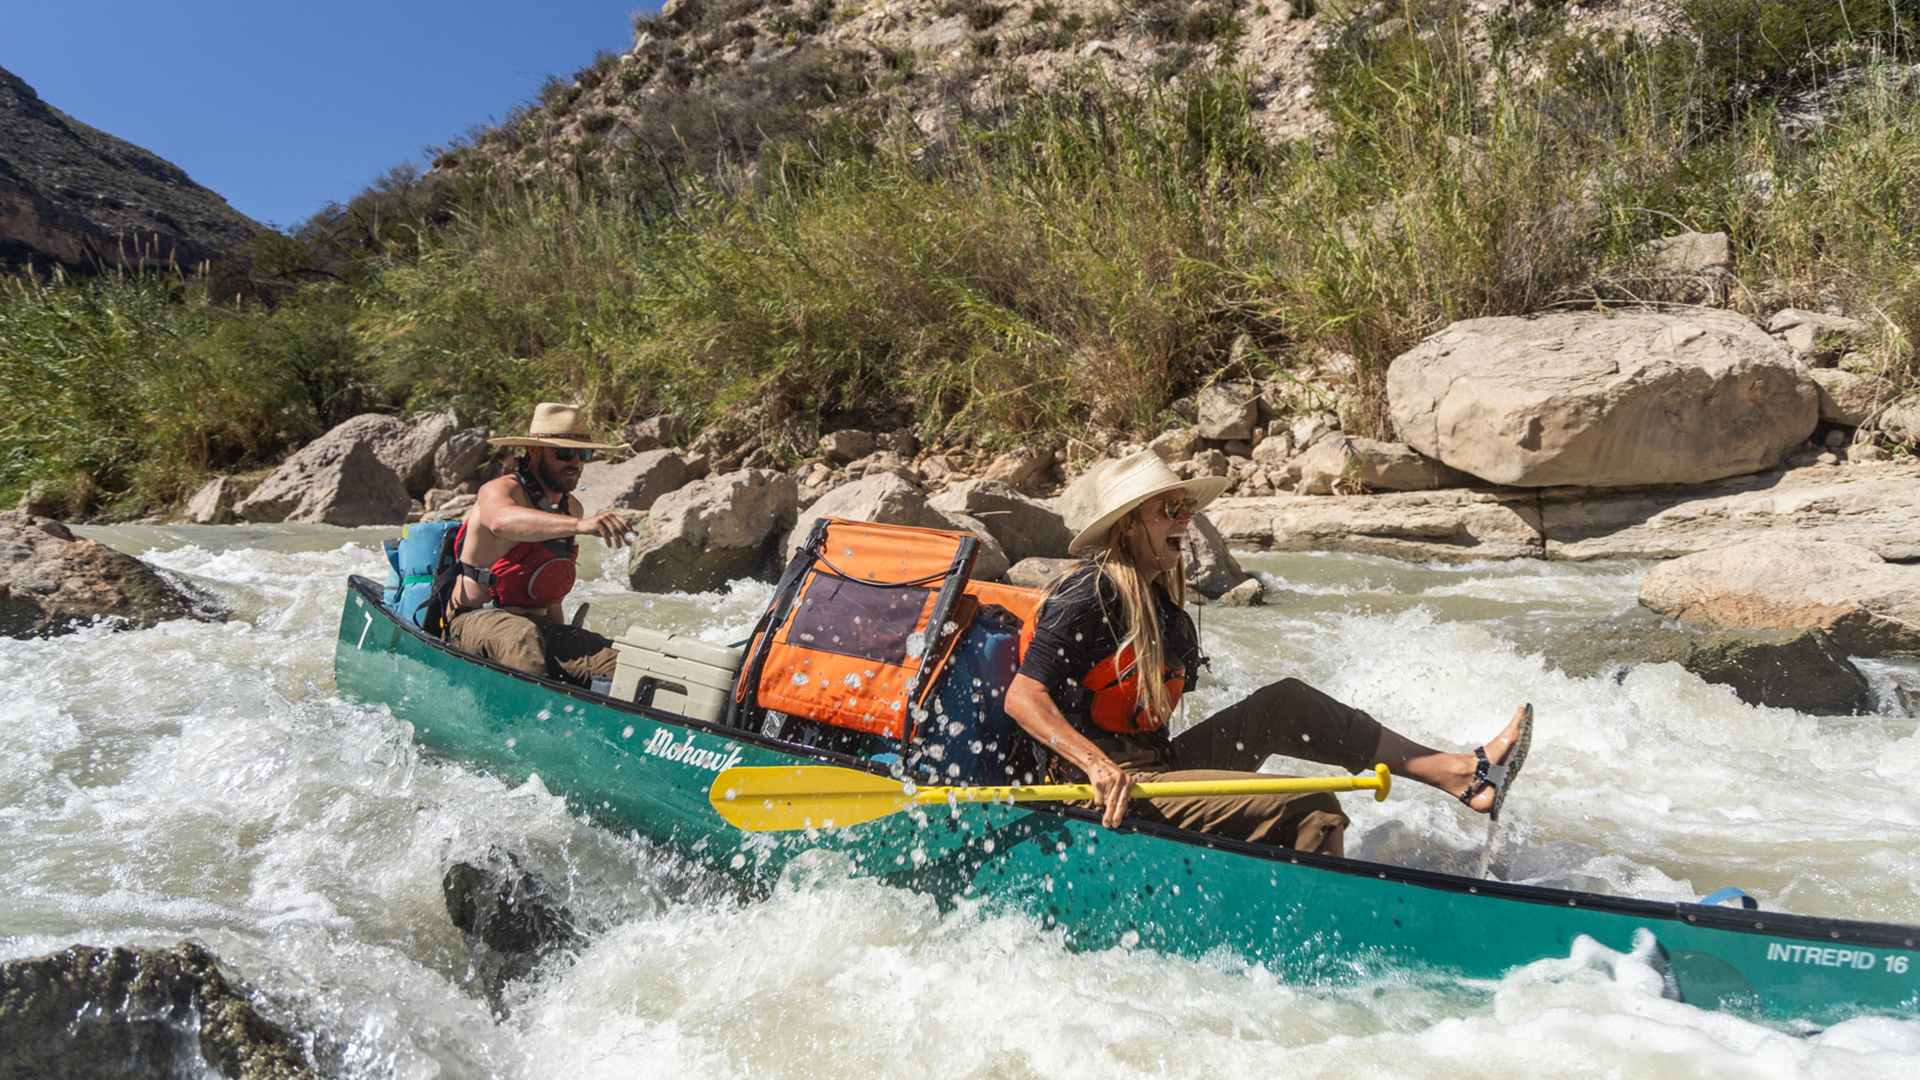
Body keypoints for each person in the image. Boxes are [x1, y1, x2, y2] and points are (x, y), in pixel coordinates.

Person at [1003, 450, 1532, 856]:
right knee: (1312, 807)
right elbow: (1023, 697)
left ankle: (1463, 773)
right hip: (1098, 791)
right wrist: (1097, 767)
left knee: (1286, 703)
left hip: (1156, 770)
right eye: (1170, 509)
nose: (1185, 520)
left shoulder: (1165, 611)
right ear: (1128, 525)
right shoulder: (1088, 594)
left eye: (1186, 507)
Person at [446, 403, 636, 685]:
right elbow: (500, 520)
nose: (575, 462)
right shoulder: (501, 490)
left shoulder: (572, 507)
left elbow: (549, 586)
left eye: (583, 454)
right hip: (474, 621)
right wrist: (580, 526)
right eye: (562, 452)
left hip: (539, 628)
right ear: (534, 451)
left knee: (616, 660)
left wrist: (566, 641)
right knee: (522, 636)